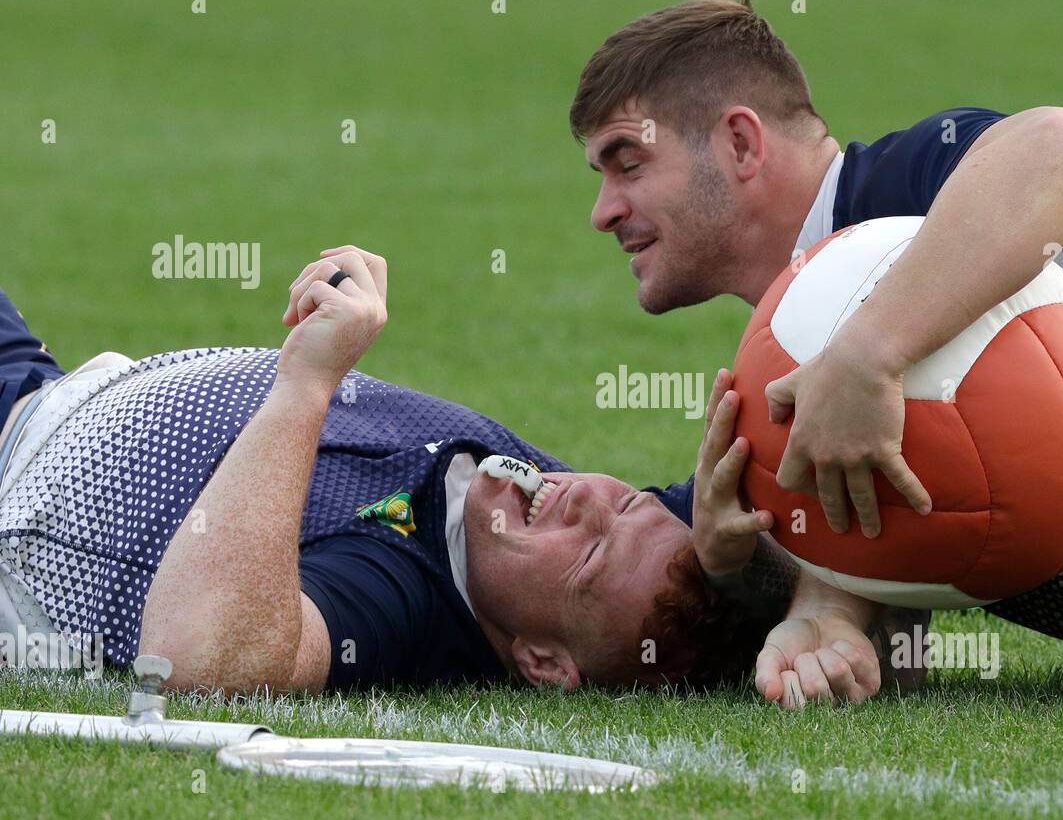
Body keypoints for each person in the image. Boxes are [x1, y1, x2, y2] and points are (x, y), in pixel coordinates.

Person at [570, 0, 1063, 696]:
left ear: (739, 140)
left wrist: (869, 353)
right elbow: (903, 636)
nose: (604, 211)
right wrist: (765, 583)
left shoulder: (910, 191)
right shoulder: (783, 379)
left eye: (628, 161)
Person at [0, 248, 814, 695]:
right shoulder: (635, 541)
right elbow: (826, 536)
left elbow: (198, 665)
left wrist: (308, 383)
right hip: (46, 381)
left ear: (541, 660)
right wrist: (761, 576)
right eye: (630, 500)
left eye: (592, 551)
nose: (585, 500)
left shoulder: (397, 595)